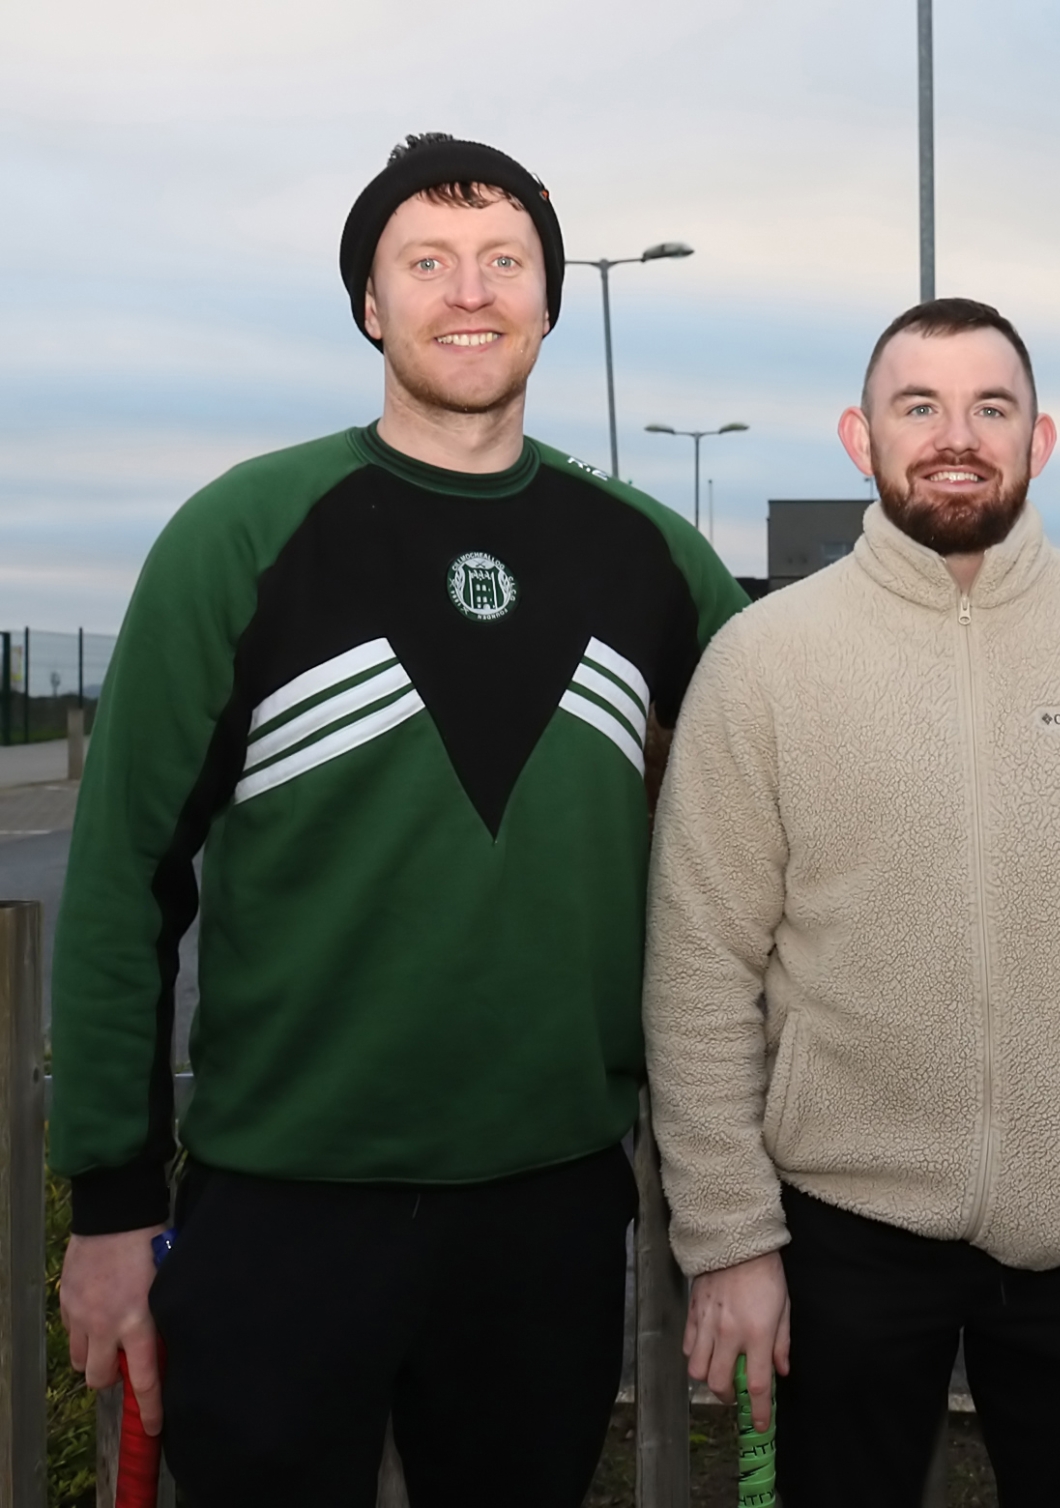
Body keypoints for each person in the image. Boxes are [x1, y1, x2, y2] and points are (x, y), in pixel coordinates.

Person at [50, 133, 746, 1507]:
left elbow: (792, 808)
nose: (468, 292)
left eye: (504, 262)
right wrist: (114, 1209)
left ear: (548, 297)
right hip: (286, 1203)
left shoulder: (655, 560)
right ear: (370, 302)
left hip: (549, 1211)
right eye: (425, 262)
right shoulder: (243, 532)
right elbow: (127, 880)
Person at [641, 297, 1060, 1506]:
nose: (954, 435)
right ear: (857, 434)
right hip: (844, 1226)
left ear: (1040, 438)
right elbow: (701, 960)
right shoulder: (767, 659)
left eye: (992, 406)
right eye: (916, 405)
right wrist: (728, 1234)